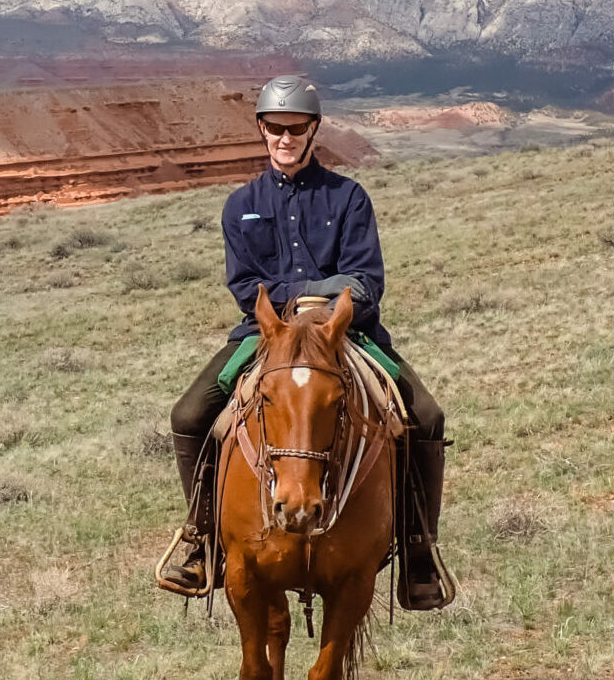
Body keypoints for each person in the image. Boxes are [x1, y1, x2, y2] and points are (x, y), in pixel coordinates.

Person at [158, 75, 455, 610]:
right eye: (275, 127)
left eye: (295, 128)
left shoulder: (349, 198)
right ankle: (201, 541)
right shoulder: (239, 205)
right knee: (189, 415)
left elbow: (365, 283)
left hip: (347, 334)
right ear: (261, 130)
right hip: (264, 336)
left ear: (314, 129)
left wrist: (302, 300)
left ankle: (418, 550)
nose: (285, 138)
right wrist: (313, 295)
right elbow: (247, 289)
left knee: (426, 415)